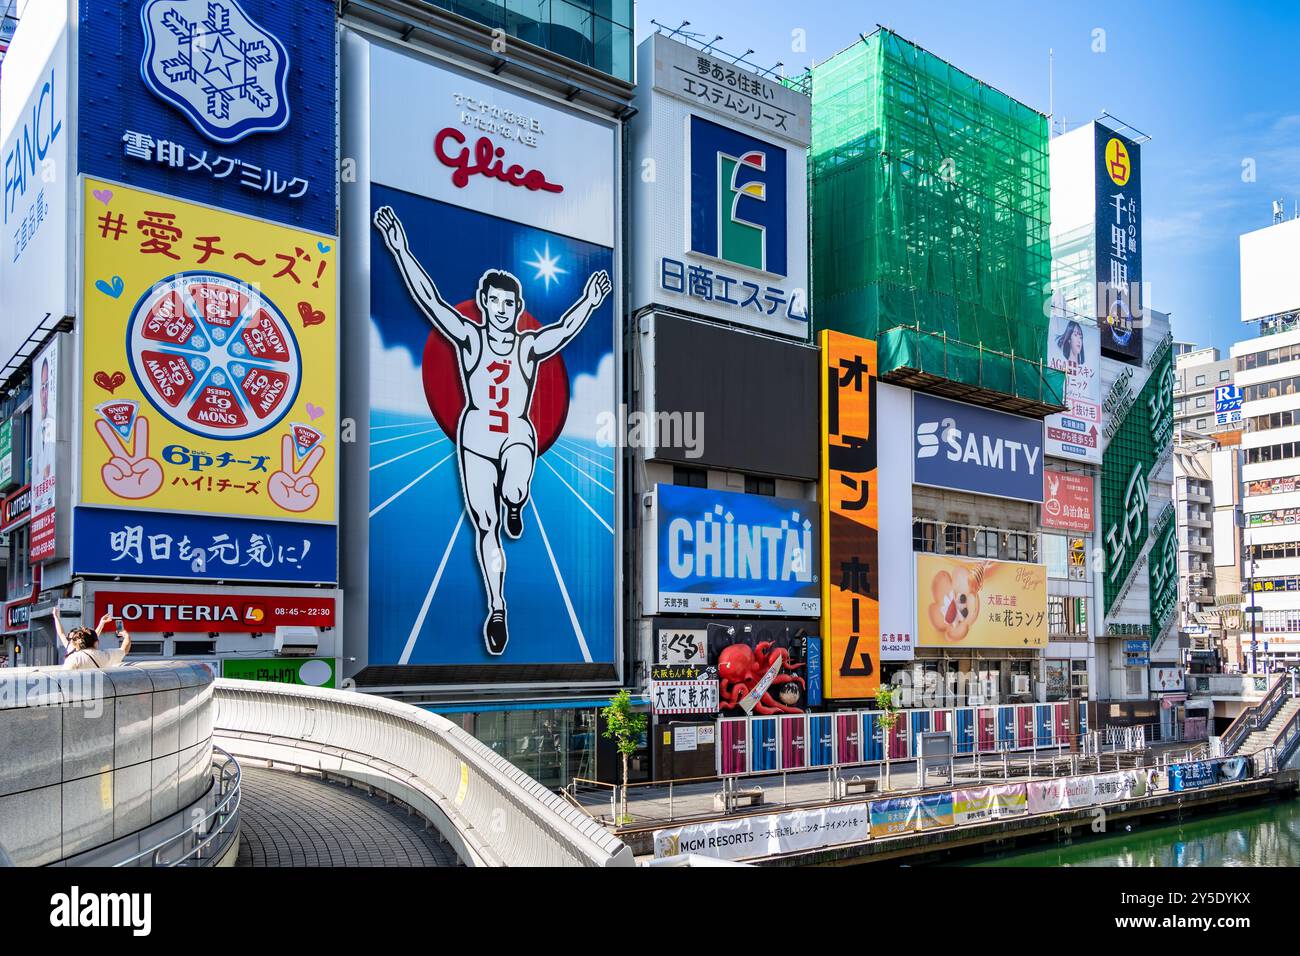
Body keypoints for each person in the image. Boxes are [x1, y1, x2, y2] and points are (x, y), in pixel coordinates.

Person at [373, 204, 611, 656]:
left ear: (518, 309)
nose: (501, 310)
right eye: (494, 302)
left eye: (509, 304)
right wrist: (399, 248)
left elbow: (562, 332)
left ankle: (516, 500)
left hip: (516, 433)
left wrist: (590, 302)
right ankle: (497, 607)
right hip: (477, 436)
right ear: (484, 304)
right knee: (485, 524)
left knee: (517, 486)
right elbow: (430, 301)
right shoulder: (470, 337)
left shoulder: (526, 346)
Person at [63, 622, 131, 670]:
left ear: (76, 644)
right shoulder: (105, 655)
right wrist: (127, 636)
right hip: (100, 689)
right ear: (96, 642)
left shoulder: (73, 658)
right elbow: (124, 650)